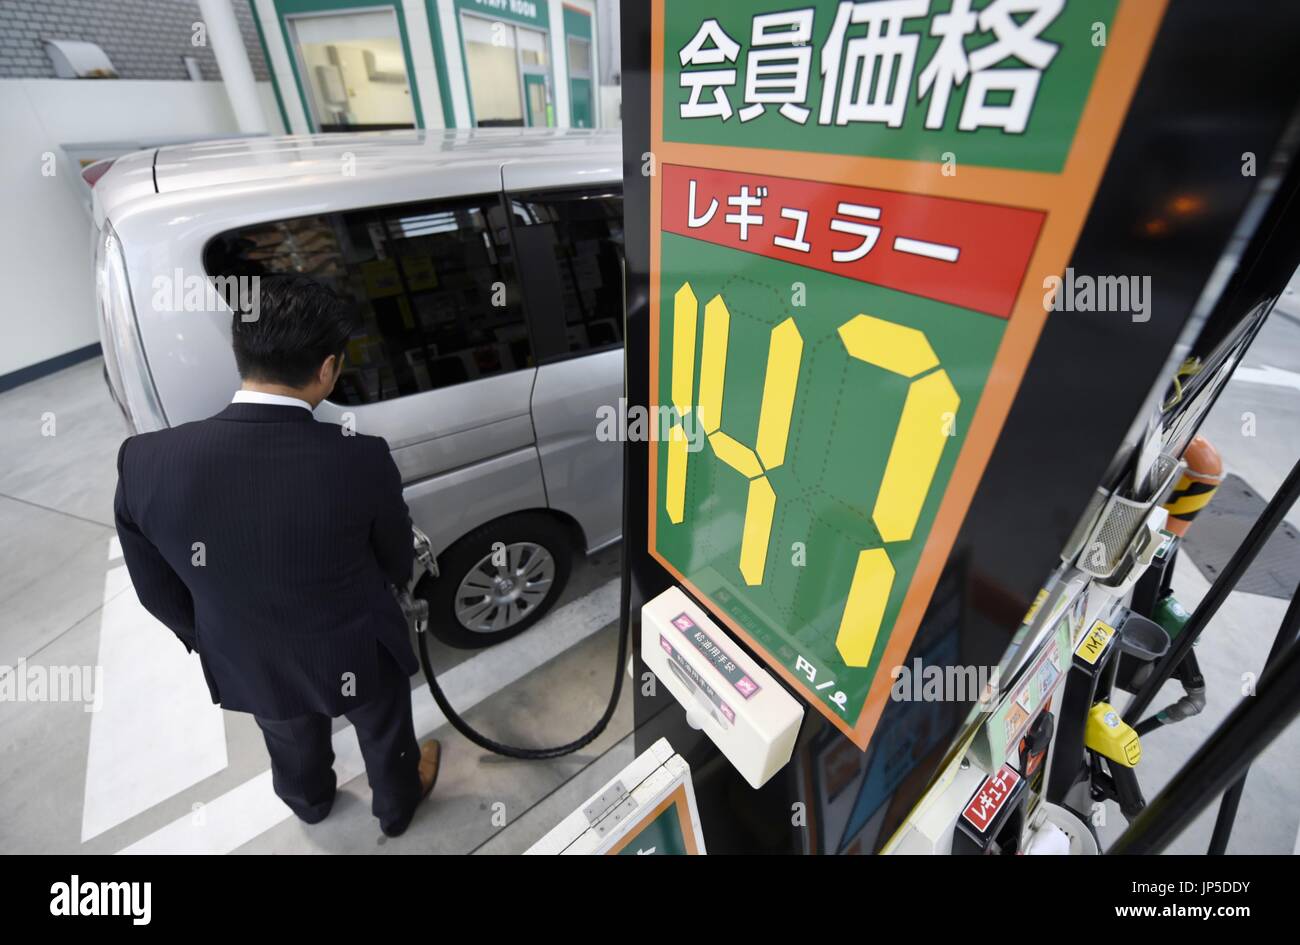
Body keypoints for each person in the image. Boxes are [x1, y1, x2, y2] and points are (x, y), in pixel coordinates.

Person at [113, 273, 440, 837]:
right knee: (383, 727)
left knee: (286, 733)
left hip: (250, 653)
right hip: (356, 643)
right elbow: (393, 558)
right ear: (327, 370)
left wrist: (217, 632)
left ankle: (310, 802)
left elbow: (156, 588)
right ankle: (395, 807)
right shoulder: (359, 457)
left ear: (242, 352)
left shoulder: (146, 459)